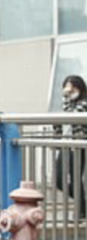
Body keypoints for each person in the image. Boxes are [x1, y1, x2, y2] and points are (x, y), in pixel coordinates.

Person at [54, 75, 87, 219]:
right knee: (59, 180)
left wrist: (66, 97)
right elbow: (61, 121)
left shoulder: (84, 103)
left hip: (78, 145)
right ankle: (83, 205)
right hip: (65, 145)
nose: (69, 90)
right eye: (66, 87)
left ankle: (81, 211)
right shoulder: (68, 104)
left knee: (75, 179)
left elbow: (71, 115)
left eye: (72, 87)